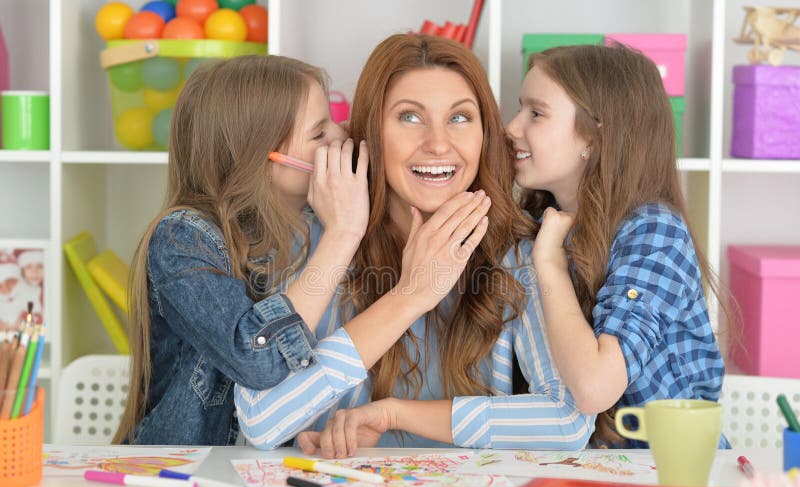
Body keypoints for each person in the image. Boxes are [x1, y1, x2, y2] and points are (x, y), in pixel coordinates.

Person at [235, 34, 594, 458]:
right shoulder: (309, 240)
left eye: (460, 117)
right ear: (371, 133)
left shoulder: (516, 254)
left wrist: (395, 414)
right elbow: (260, 420)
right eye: (409, 117)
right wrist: (409, 296)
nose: (438, 144)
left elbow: (568, 420)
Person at [113, 54, 371, 445]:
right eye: (319, 134)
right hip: (184, 471)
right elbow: (258, 360)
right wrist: (344, 233)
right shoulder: (183, 240)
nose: (342, 136)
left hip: (267, 468)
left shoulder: (306, 224)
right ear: (260, 161)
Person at [506, 44, 728, 447]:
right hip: (587, 467)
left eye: (536, 113)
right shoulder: (544, 223)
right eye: (520, 109)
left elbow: (594, 387)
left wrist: (550, 264)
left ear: (593, 138)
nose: (512, 127)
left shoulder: (656, 233)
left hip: (667, 468)